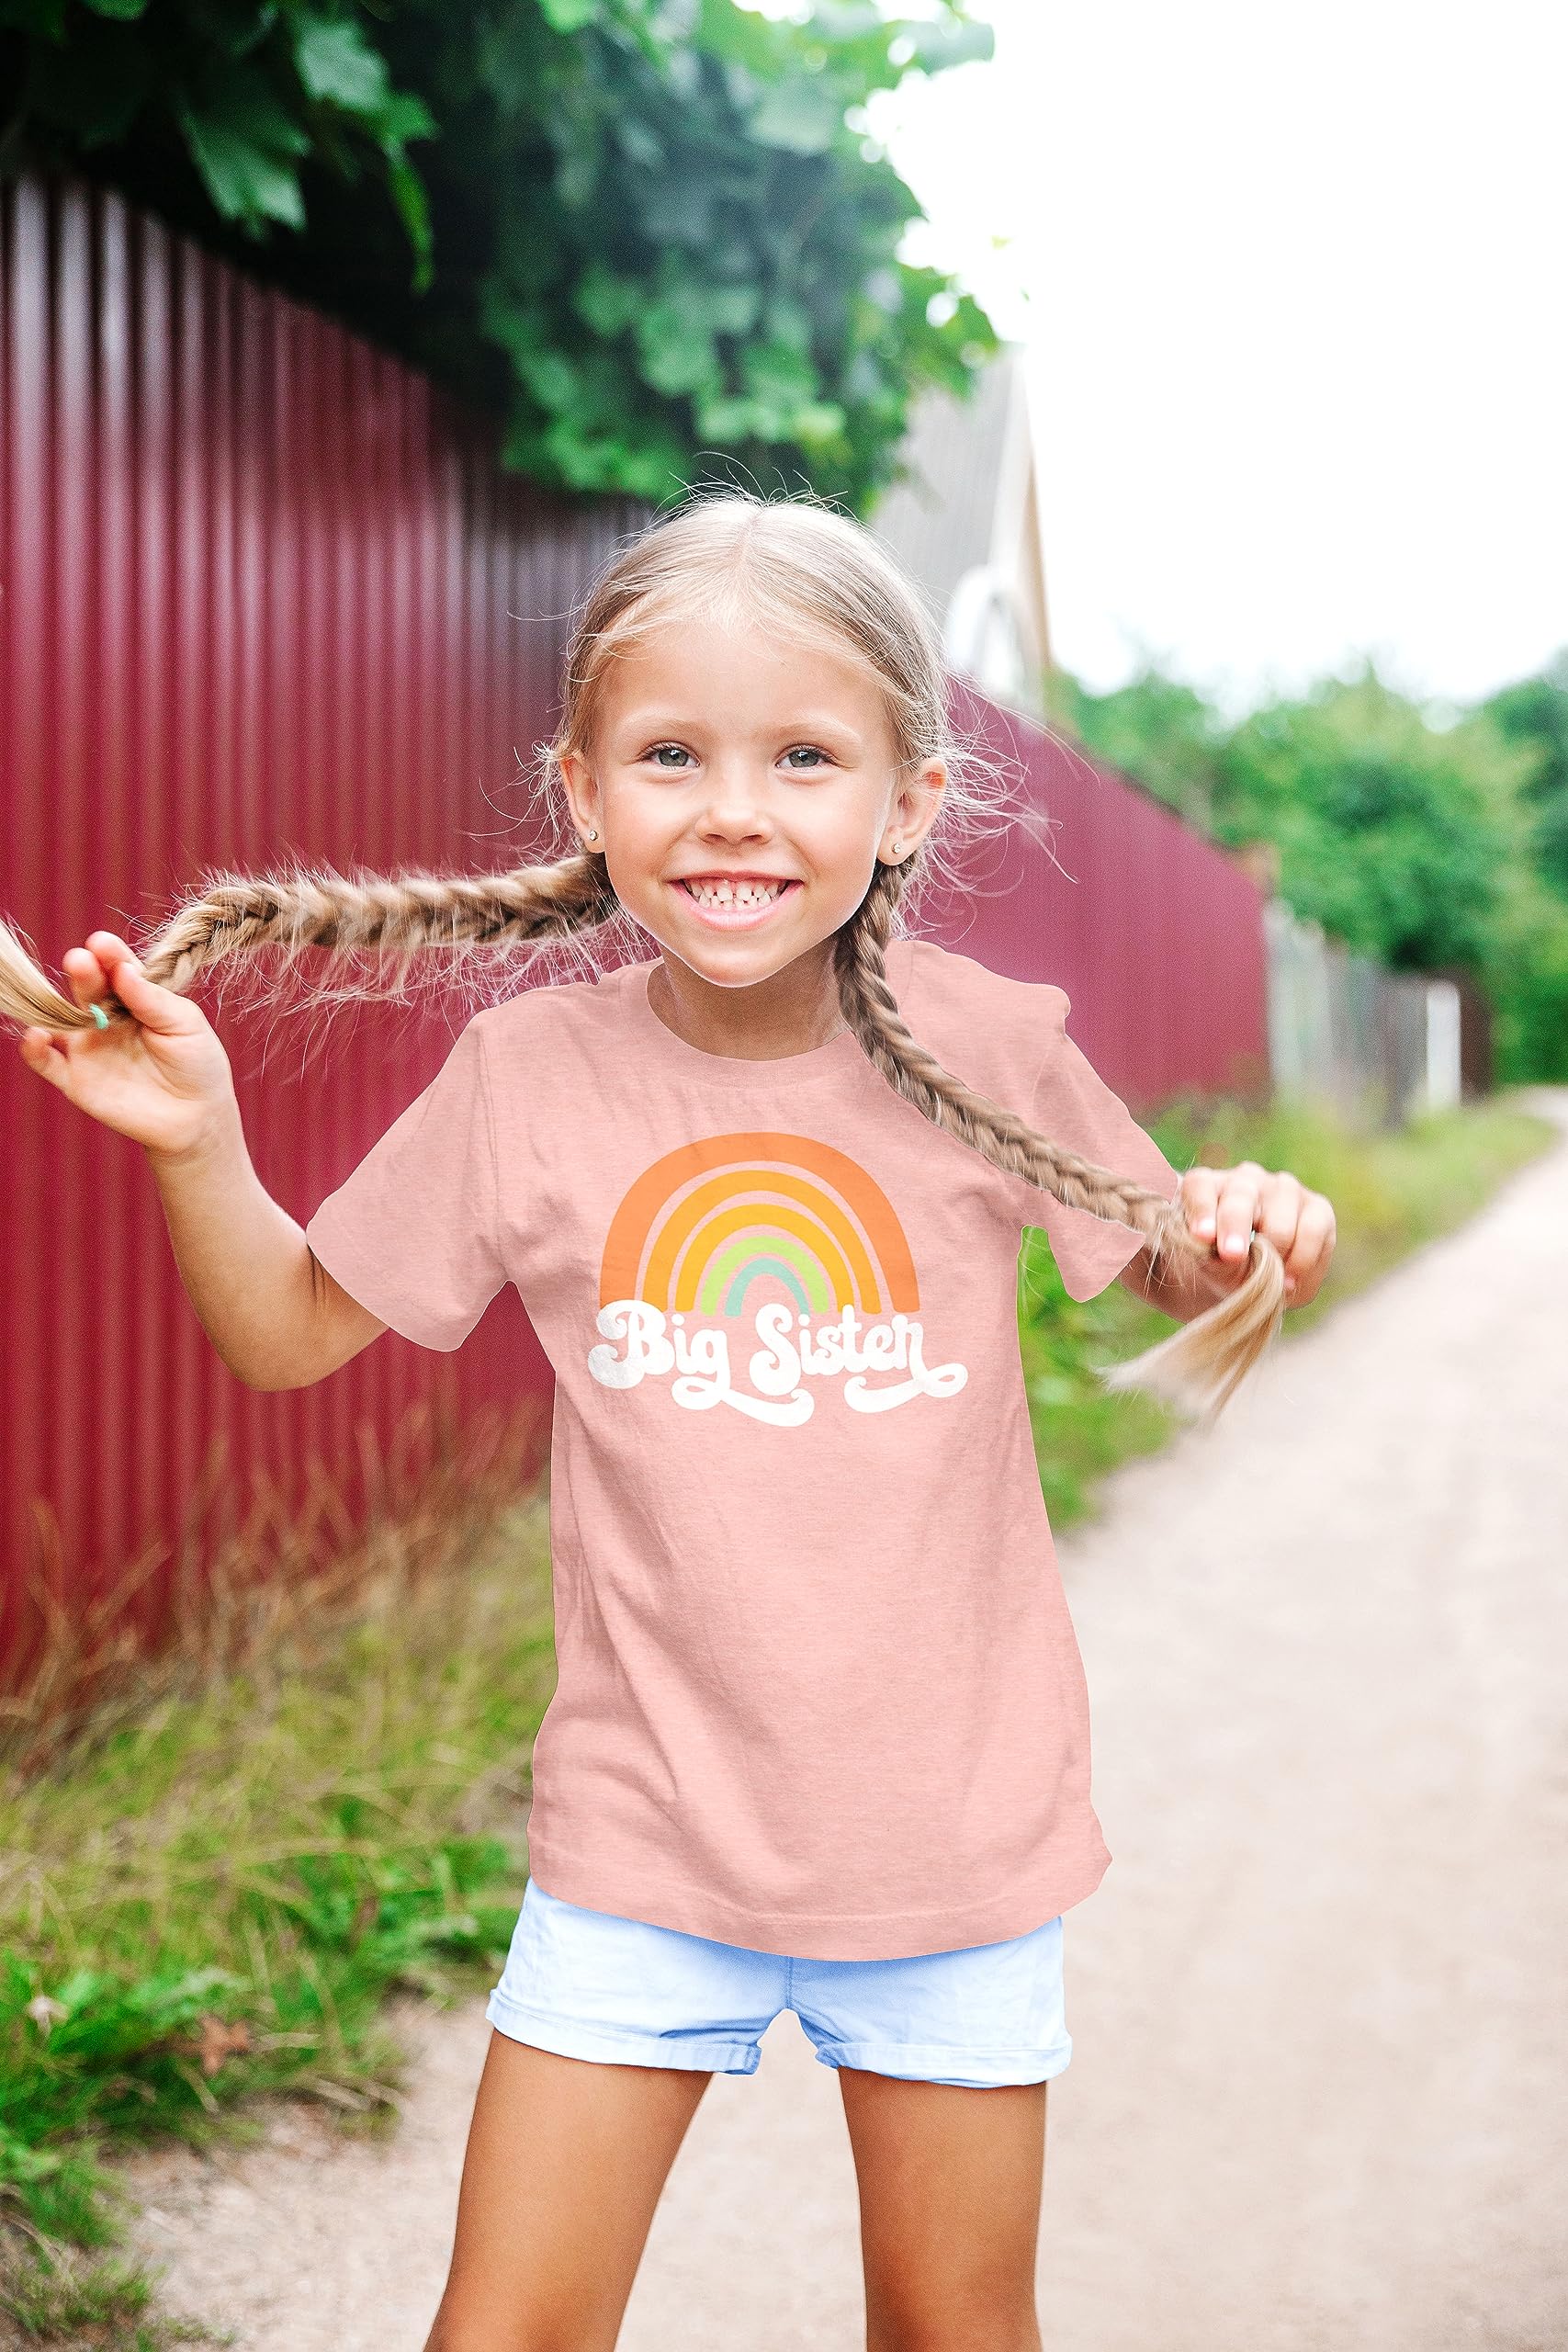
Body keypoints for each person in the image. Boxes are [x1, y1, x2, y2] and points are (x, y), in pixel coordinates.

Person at [5, 491, 1336, 2352]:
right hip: (639, 1845)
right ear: (580, 788)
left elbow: (1179, 1263)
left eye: (802, 753)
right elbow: (290, 1335)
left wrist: (1259, 1225)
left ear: (908, 800)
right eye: (668, 753)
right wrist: (200, 1136)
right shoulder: (525, 1076)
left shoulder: (988, 1048)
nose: (731, 805)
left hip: (947, 1842)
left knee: (956, 2325)